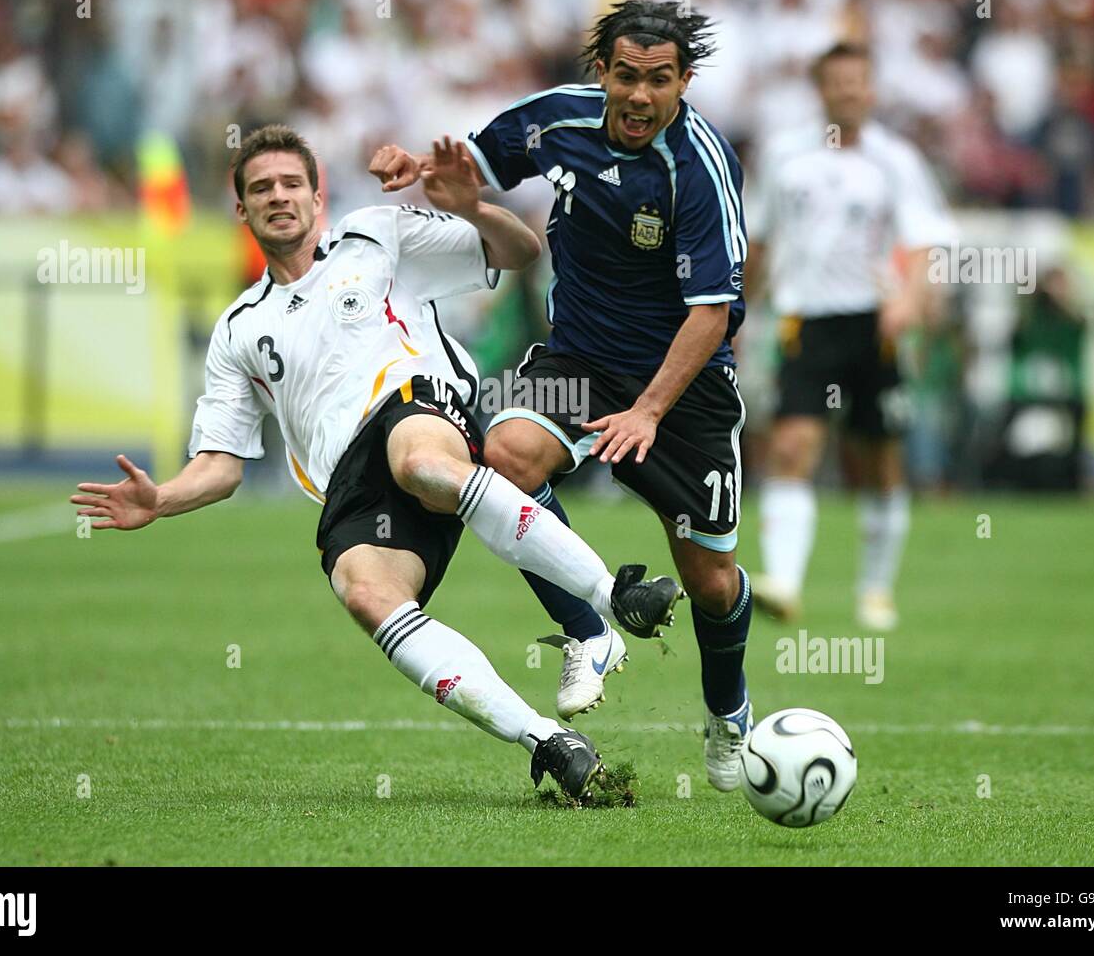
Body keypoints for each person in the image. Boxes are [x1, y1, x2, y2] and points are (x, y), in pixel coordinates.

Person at [71, 124, 681, 800]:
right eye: (261, 188)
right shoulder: (239, 328)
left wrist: (473, 207)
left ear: (316, 194)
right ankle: (549, 742)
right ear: (241, 210)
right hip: (351, 484)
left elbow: (519, 249)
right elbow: (222, 463)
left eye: (290, 184)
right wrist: (161, 501)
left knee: (419, 459)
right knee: (365, 593)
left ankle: (613, 593)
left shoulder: (375, 234)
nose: (278, 196)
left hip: (418, 407)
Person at [370, 0, 755, 794]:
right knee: (501, 457)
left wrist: (649, 409)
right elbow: (472, 164)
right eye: (625, 76)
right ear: (602, 73)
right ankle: (589, 629)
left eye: (658, 80)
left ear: (684, 80)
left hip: (681, 385)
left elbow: (711, 311)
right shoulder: (558, 121)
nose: (639, 95)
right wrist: (429, 177)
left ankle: (729, 713)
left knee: (711, 582)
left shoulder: (702, 167)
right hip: (577, 360)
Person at [744, 42, 956, 631]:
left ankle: (876, 590)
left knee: (879, 459)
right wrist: (738, 314)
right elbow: (758, 242)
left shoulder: (896, 159)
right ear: (820, 89)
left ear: (872, 89)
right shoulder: (785, 156)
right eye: (838, 82)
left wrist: (911, 300)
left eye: (858, 82)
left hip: (873, 324)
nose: (849, 92)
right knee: (791, 447)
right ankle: (783, 582)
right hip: (805, 322)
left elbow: (924, 241)